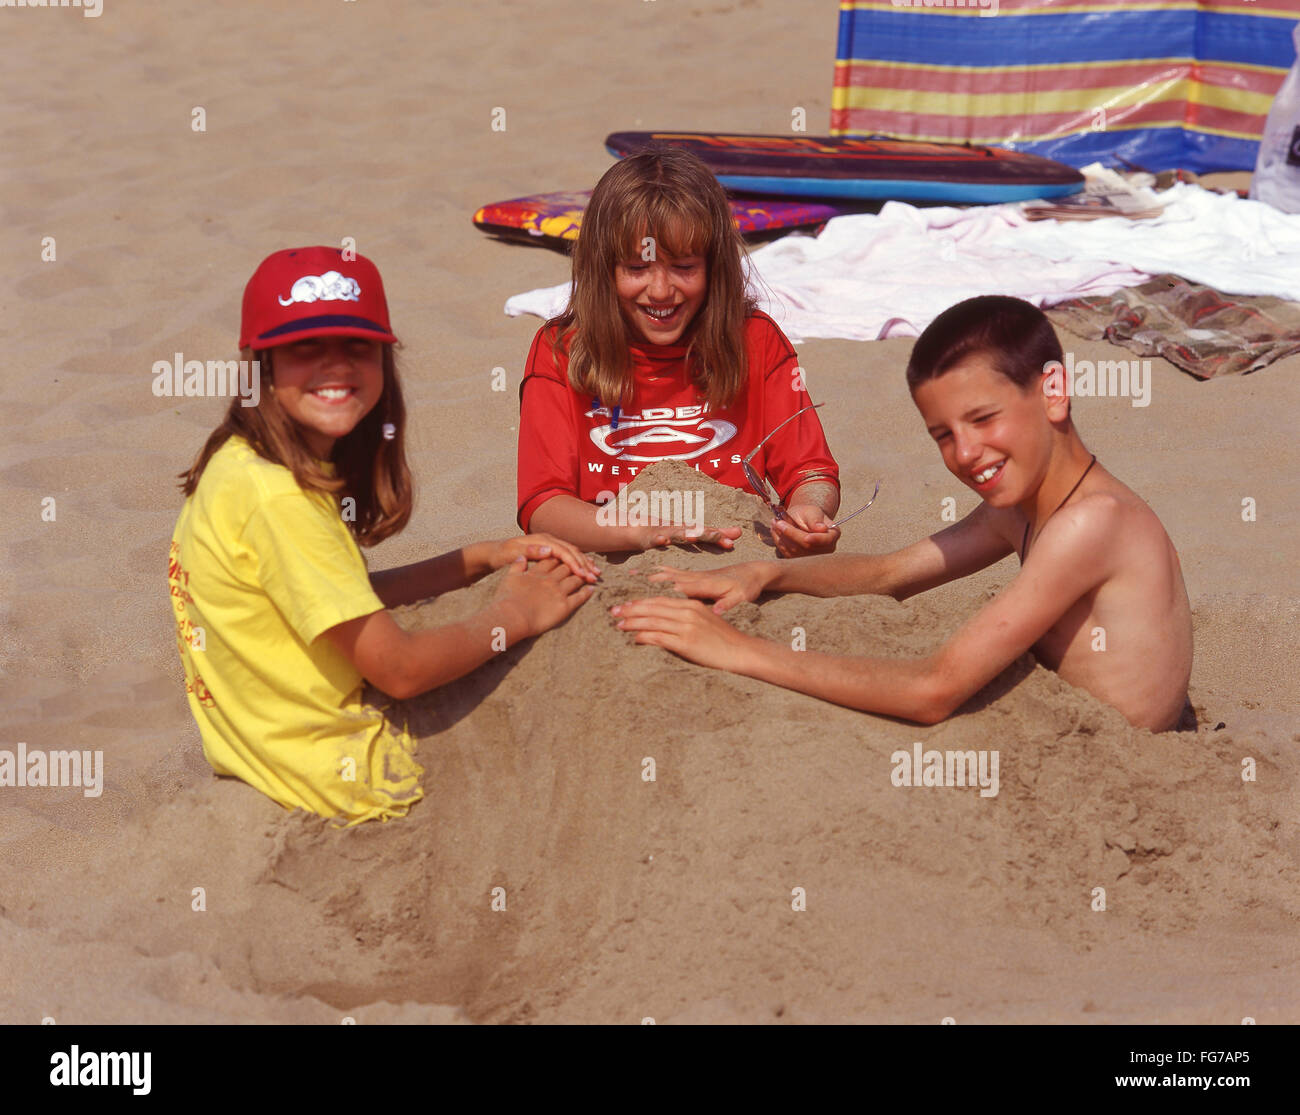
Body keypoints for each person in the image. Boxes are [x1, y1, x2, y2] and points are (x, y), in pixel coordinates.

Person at [611, 295, 1194, 732]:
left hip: (1125, 773)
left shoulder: (1091, 523)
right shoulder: (1022, 507)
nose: (966, 453)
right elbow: (891, 576)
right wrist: (768, 573)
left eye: (984, 418)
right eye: (943, 434)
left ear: (1053, 393)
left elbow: (933, 690)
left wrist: (739, 650)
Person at [170, 246, 596, 824]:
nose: (336, 367)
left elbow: (340, 594)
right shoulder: (279, 501)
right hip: (339, 773)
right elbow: (401, 671)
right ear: (259, 367)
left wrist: (479, 557)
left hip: (258, 747)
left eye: (355, 347)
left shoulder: (239, 464)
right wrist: (517, 613)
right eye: (304, 349)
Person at [516, 147, 843, 558]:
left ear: (714, 267)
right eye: (637, 268)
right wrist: (647, 533)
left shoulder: (755, 340)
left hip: (736, 557)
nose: (660, 291)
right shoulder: (562, 351)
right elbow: (543, 506)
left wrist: (809, 515)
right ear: (604, 269)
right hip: (610, 556)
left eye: (685, 267)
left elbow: (809, 471)